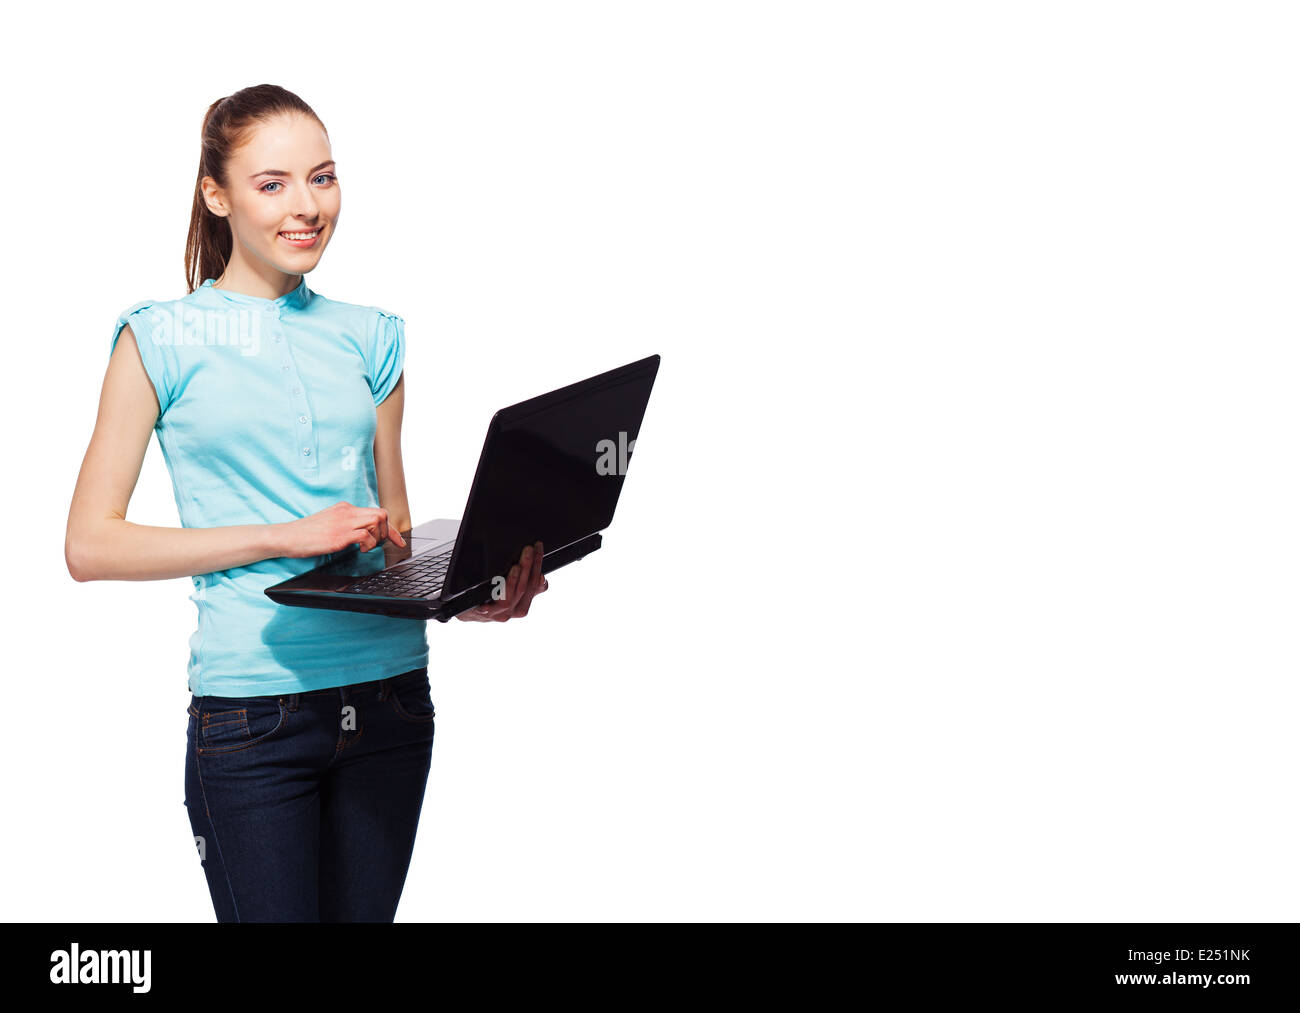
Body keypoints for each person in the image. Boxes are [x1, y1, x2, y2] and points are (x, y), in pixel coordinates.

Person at [64, 83, 548, 922]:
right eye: (273, 183)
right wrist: (284, 535)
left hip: (392, 701)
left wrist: (469, 591)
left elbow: (392, 536)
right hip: (254, 717)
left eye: (322, 178)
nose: (307, 206)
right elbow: (89, 544)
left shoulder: (372, 335)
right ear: (217, 195)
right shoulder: (159, 338)